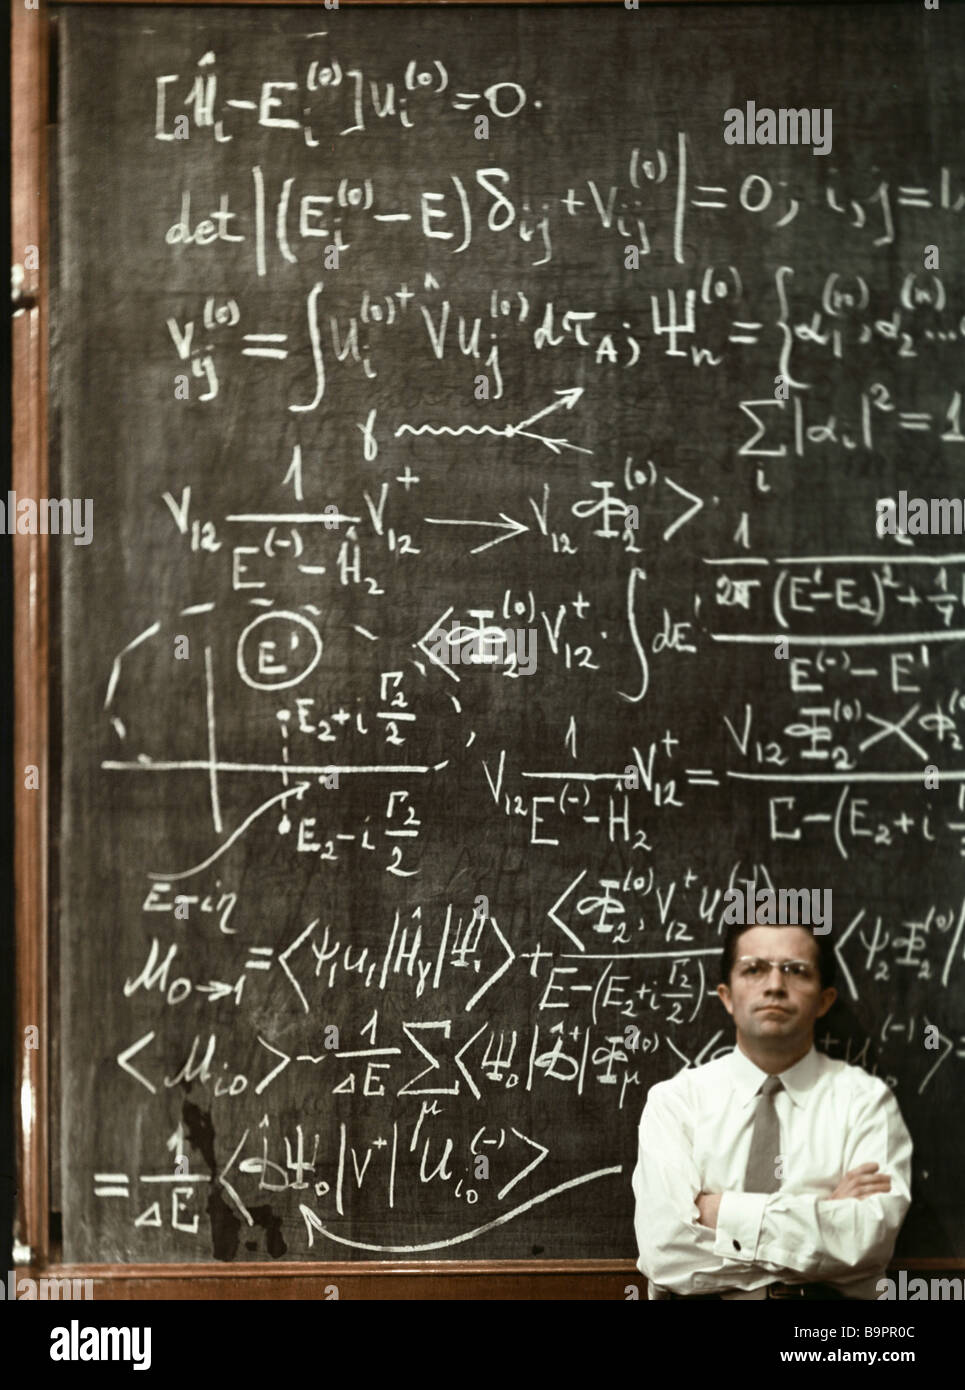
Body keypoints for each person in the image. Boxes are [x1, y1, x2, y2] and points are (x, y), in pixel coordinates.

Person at [631, 914, 913, 1299]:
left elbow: (866, 1243)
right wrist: (822, 1214)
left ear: (824, 1000)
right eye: (754, 969)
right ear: (726, 996)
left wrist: (720, 1213)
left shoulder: (866, 1101)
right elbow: (665, 1253)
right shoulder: (675, 1103)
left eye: (796, 971)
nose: (776, 985)